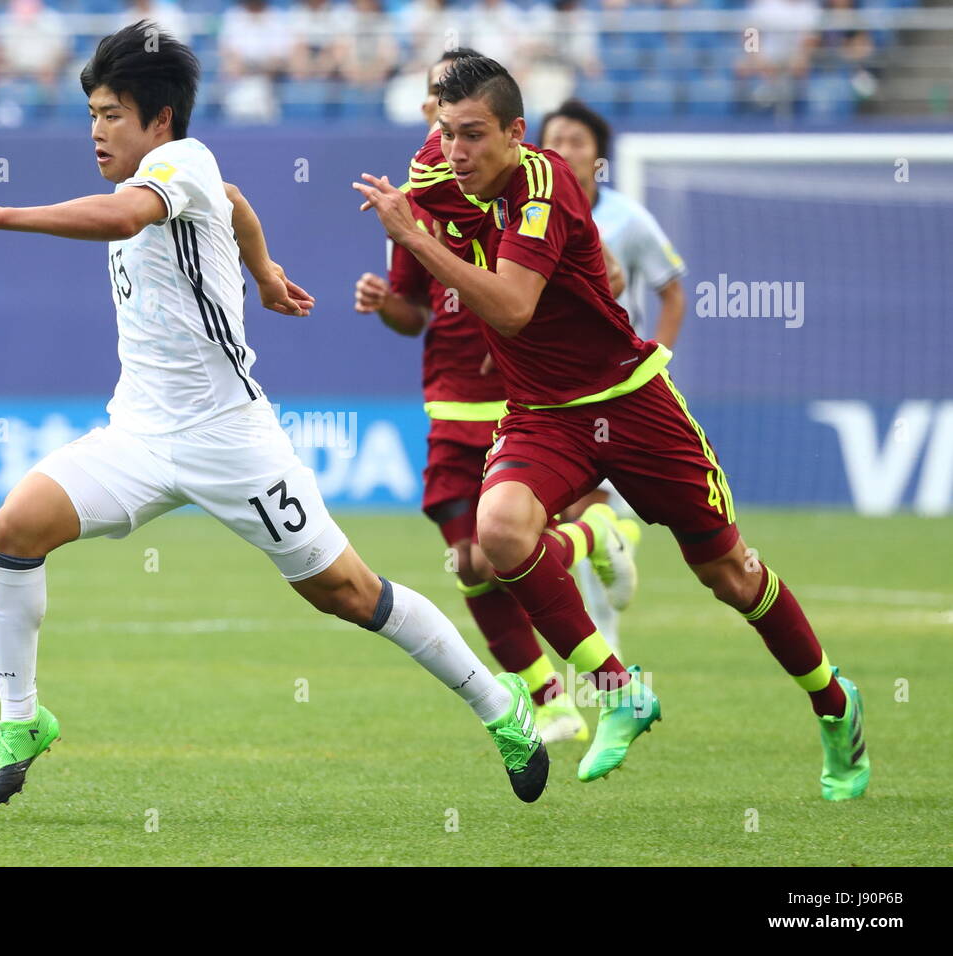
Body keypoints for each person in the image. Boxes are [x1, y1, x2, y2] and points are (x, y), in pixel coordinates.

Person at [0, 23, 552, 811]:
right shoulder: (183, 178)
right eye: (90, 114)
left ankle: (504, 709)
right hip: (139, 436)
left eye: (110, 114)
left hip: (231, 438)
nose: (95, 131)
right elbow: (238, 206)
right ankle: (22, 720)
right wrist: (263, 274)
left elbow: (125, 221)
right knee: (14, 529)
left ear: (158, 120)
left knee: (349, 593)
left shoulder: (178, 163)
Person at [354, 54, 869, 800]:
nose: (456, 152)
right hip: (542, 414)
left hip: (631, 402)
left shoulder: (548, 184)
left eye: (473, 135)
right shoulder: (435, 169)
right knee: (496, 536)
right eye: (445, 133)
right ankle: (620, 692)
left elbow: (512, 307)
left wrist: (417, 238)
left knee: (729, 574)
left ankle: (833, 701)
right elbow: (423, 278)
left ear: (517, 132)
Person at [352, 49, 640, 745]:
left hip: (529, 395)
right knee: (470, 563)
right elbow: (411, 310)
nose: (447, 130)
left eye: (461, 120)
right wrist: (384, 300)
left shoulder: (529, 188)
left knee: (516, 543)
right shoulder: (417, 198)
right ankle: (547, 698)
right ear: (430, 113)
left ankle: (599, 539)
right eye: (438, 110)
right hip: (453, 400)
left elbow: (609, 277)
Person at [538, 97, 688, 654]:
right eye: (556, 138)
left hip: (622, 385)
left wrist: (661, 360)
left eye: (579, 140)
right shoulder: (529, 214)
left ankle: (607, 651)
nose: (566, 150)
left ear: (600, 155)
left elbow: (671, 290)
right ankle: (608, 648)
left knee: (602, 510)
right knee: (576, 516)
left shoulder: (625, 218)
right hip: (557, 388)